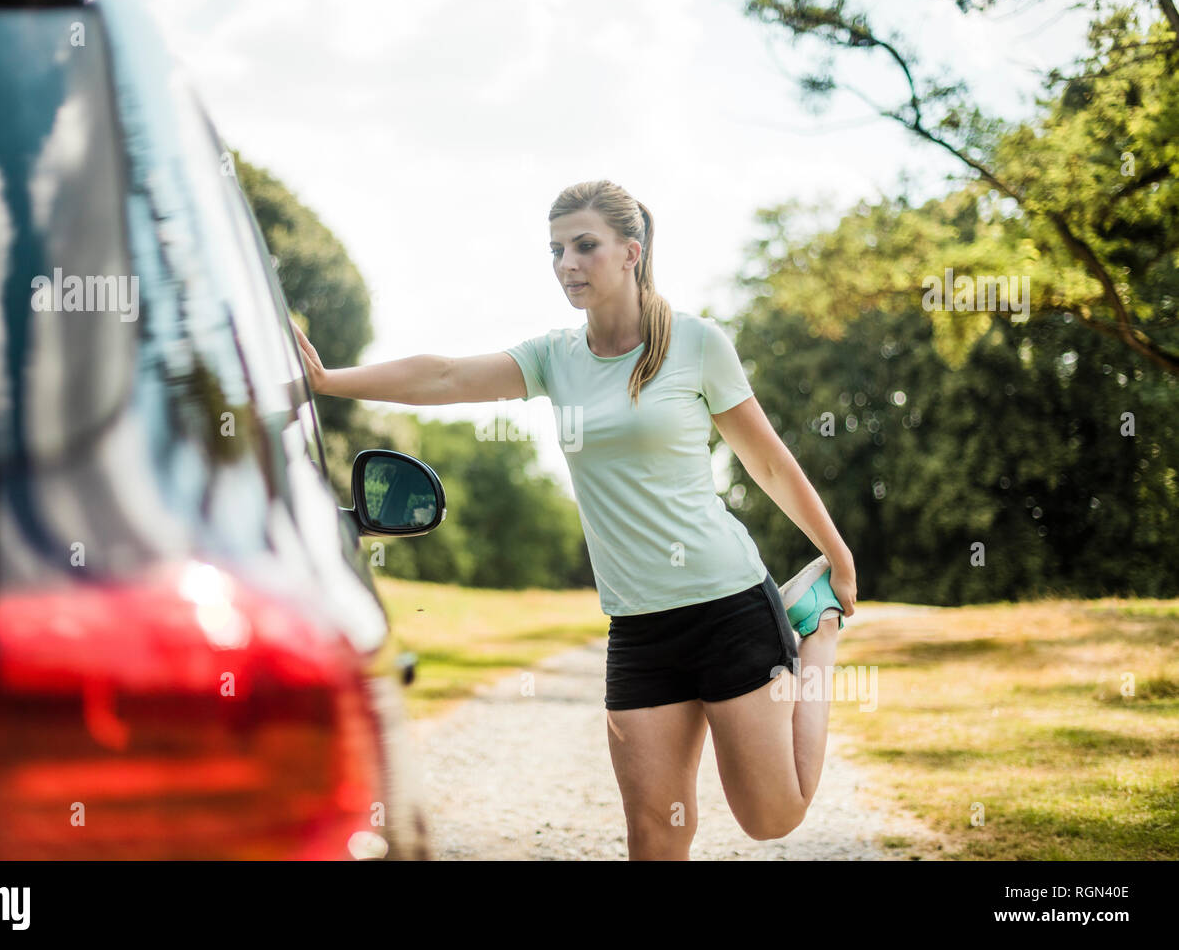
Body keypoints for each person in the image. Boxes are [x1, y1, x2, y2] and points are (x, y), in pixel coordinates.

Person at [289, 178, 857, 860]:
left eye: (585, 246)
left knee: (771, 819)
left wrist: (836, 553)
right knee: (656, 832)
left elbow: (767, 465)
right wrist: (328, 383)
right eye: (556, 250)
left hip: (729, 605)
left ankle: (816, 638)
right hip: (639, 626)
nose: (567, 264)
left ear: (631, 252)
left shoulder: (697, 345)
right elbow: (442, 376)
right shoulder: (557, 359)